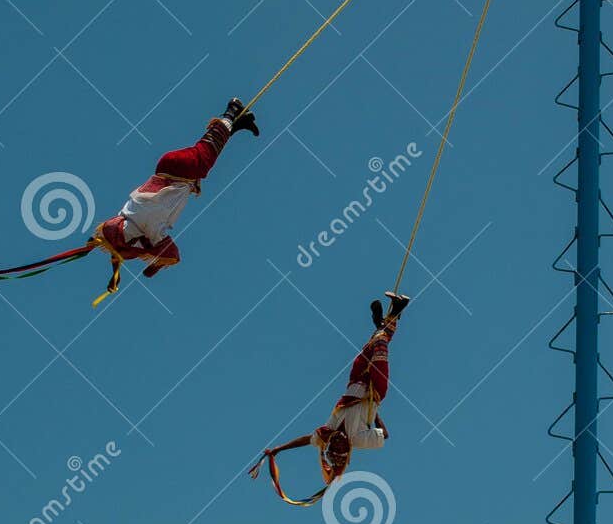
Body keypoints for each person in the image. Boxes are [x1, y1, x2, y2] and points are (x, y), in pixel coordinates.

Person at [249, 293, 409, 503]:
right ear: (347, 450)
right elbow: (385, 435)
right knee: (380, 343)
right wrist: (375, 413)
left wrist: (279, 449)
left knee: (369, 346)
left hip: (355, 381)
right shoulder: (358, 439)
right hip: (375, 390)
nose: (339, 442)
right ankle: (389, 316)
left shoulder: (328, 431)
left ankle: (395, 311)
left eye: (334, 446)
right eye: (342, 447)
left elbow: (307, 440)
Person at [91, 100, 259, 294]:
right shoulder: (126, 215)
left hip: (177, 172)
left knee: (204, 157)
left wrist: (152, 268)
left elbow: (171, 254)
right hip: (169, 169)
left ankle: (231, 112)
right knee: (206, 157)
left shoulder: (151, 232)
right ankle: (237, 124)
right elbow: (106, 233)